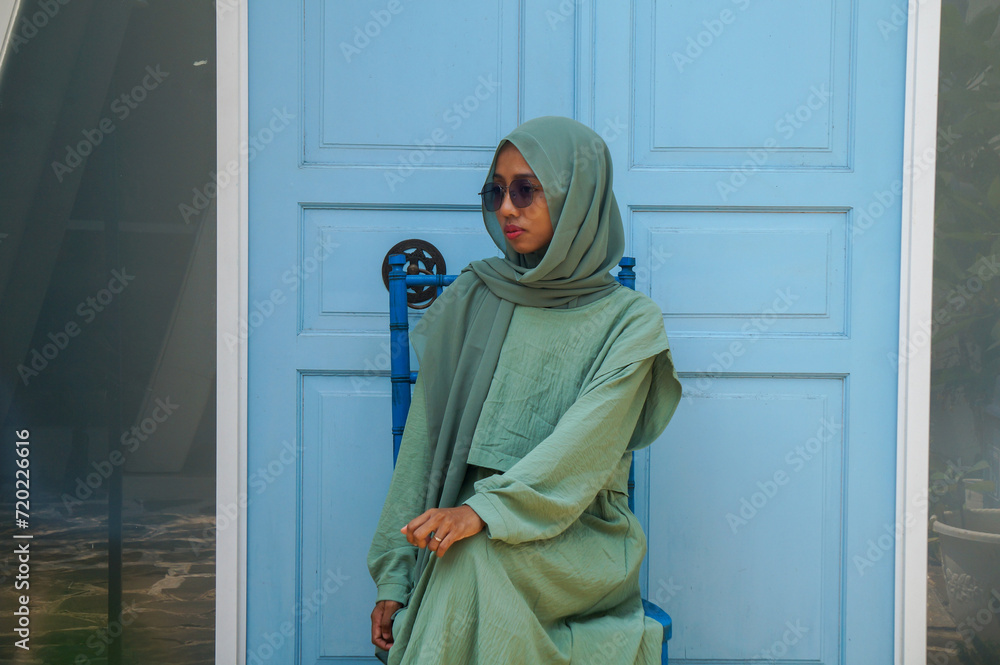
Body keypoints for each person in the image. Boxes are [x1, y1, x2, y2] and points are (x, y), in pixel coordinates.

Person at [367, 116, 682, 664]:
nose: (507, 207)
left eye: (526, 189)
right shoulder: (476, 296)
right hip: (464, 528)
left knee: (466, 561)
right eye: (496, 191)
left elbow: (580, 450)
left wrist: (483, 513)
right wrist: (394, 573)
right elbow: (425, 439)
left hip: (578, 537)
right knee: (464, 560)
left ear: (578, 196)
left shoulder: (630, 321)